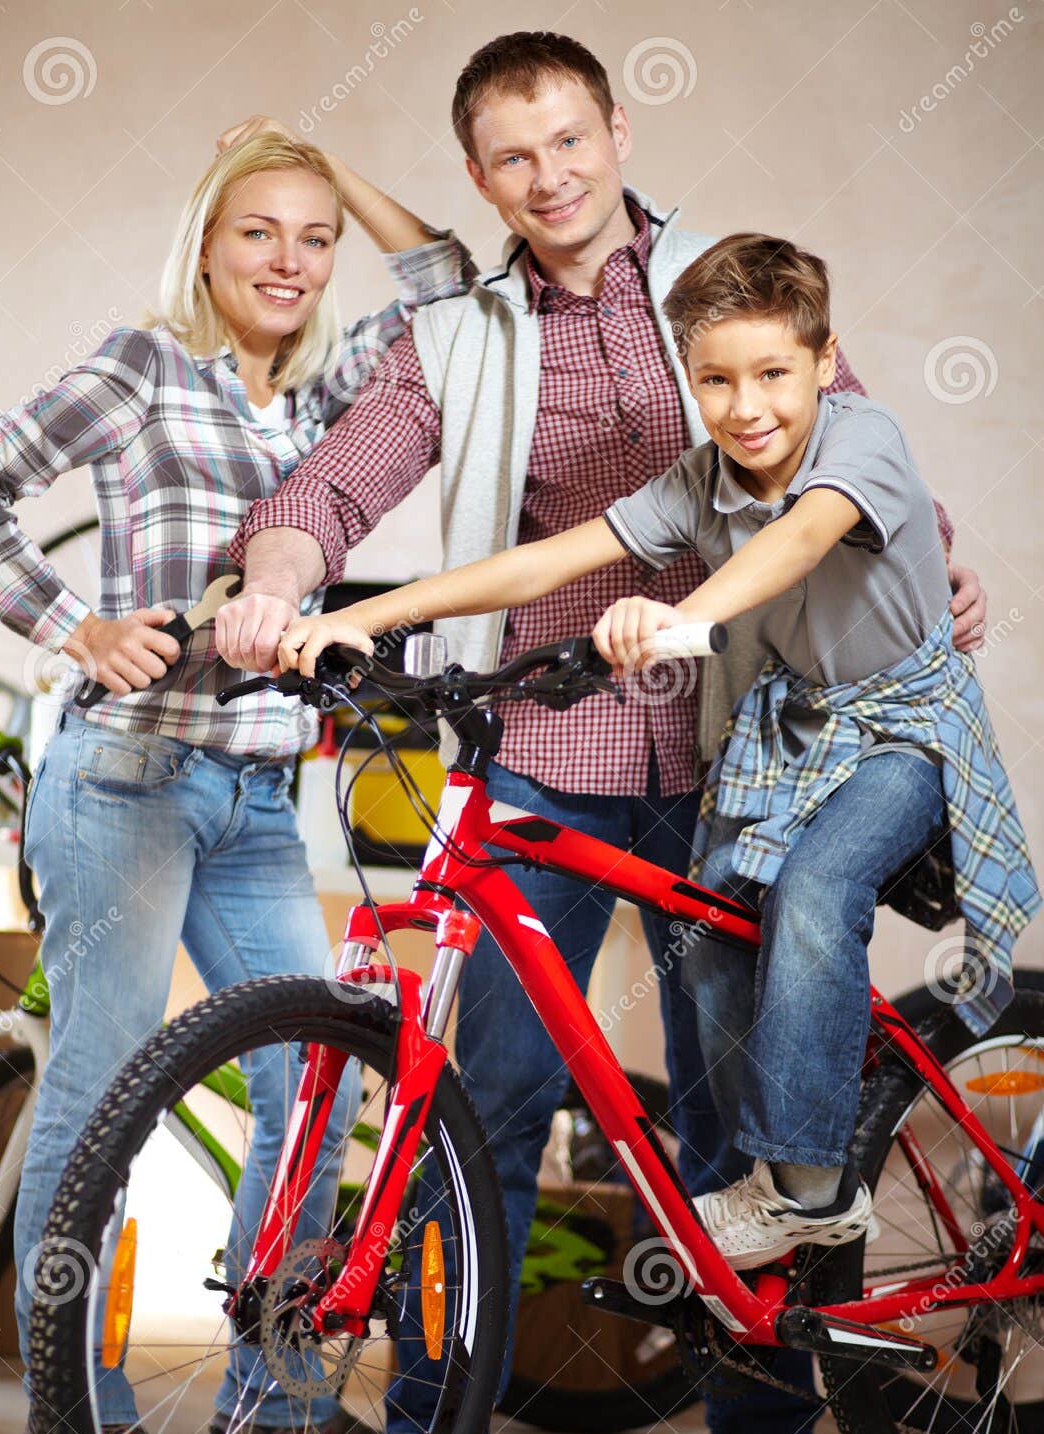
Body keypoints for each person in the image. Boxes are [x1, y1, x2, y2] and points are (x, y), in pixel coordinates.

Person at [220, 35, 988, 1434]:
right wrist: (278, 582)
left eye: (568, 139)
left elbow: (830, 428)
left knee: (740, 1124)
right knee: (474, 1109)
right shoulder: (453, 334)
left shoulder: (712, 276)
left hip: (734, 754)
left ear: (614, 126)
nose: (549, 176)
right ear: (478, 177)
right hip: (543, 758)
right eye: (513, 156)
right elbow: (331, 488)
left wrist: (931, 548)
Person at [283, 229, 1039, 1279]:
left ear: (824, 363)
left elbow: (801, 539)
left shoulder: (860, 439)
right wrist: (377, 616)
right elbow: (544, 558)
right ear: (691, 379)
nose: (747, 406)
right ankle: (761, 1176)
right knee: (713, 919)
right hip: (793, 732)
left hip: (901, 731)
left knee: (814, 897)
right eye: (716, 380)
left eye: (773, 372)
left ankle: (807, 1187)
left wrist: (681, 616)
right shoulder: (698, 478)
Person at [0, 118, 472, 1434]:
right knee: (103, 1079)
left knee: (309, 1080)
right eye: (259, 228)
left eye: (313, 237)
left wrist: (326, 160)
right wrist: (76, 626)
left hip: (260, 790)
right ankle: (77, 1400)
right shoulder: (145, 366)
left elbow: (444, 284)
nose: (292, 259)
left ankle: (270, 1398)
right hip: (127, 778)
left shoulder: (329, 399)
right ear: (206, 240)